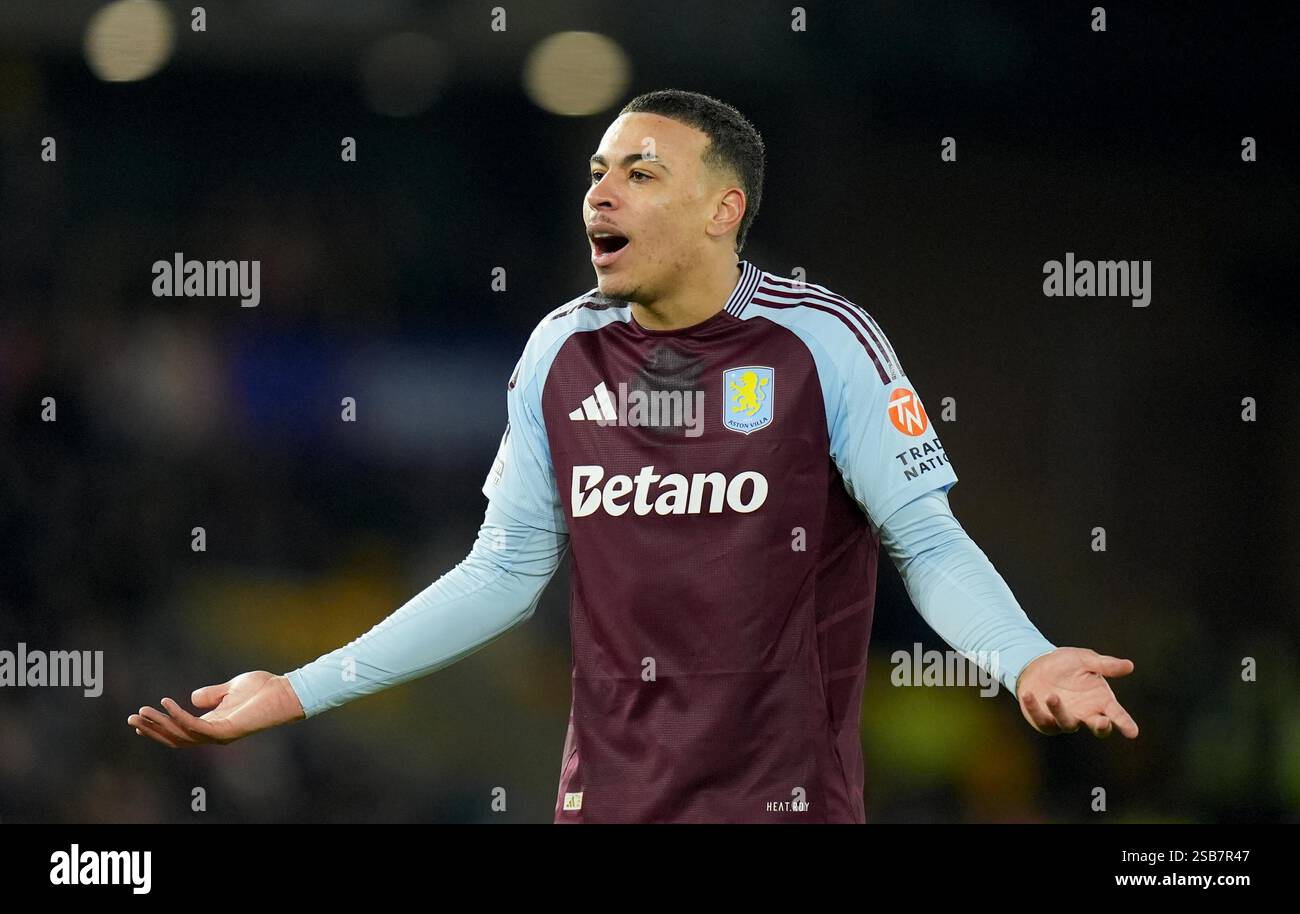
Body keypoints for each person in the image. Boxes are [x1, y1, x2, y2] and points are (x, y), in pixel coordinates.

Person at [129, 89, 1138, 823]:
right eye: (597, 172)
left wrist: (1025, 657)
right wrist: (299, 686)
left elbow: (923, 539)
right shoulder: (559, 350)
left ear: (722, 210)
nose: (601, 193)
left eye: (640, 172)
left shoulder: (823, 343)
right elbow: (504, 571)